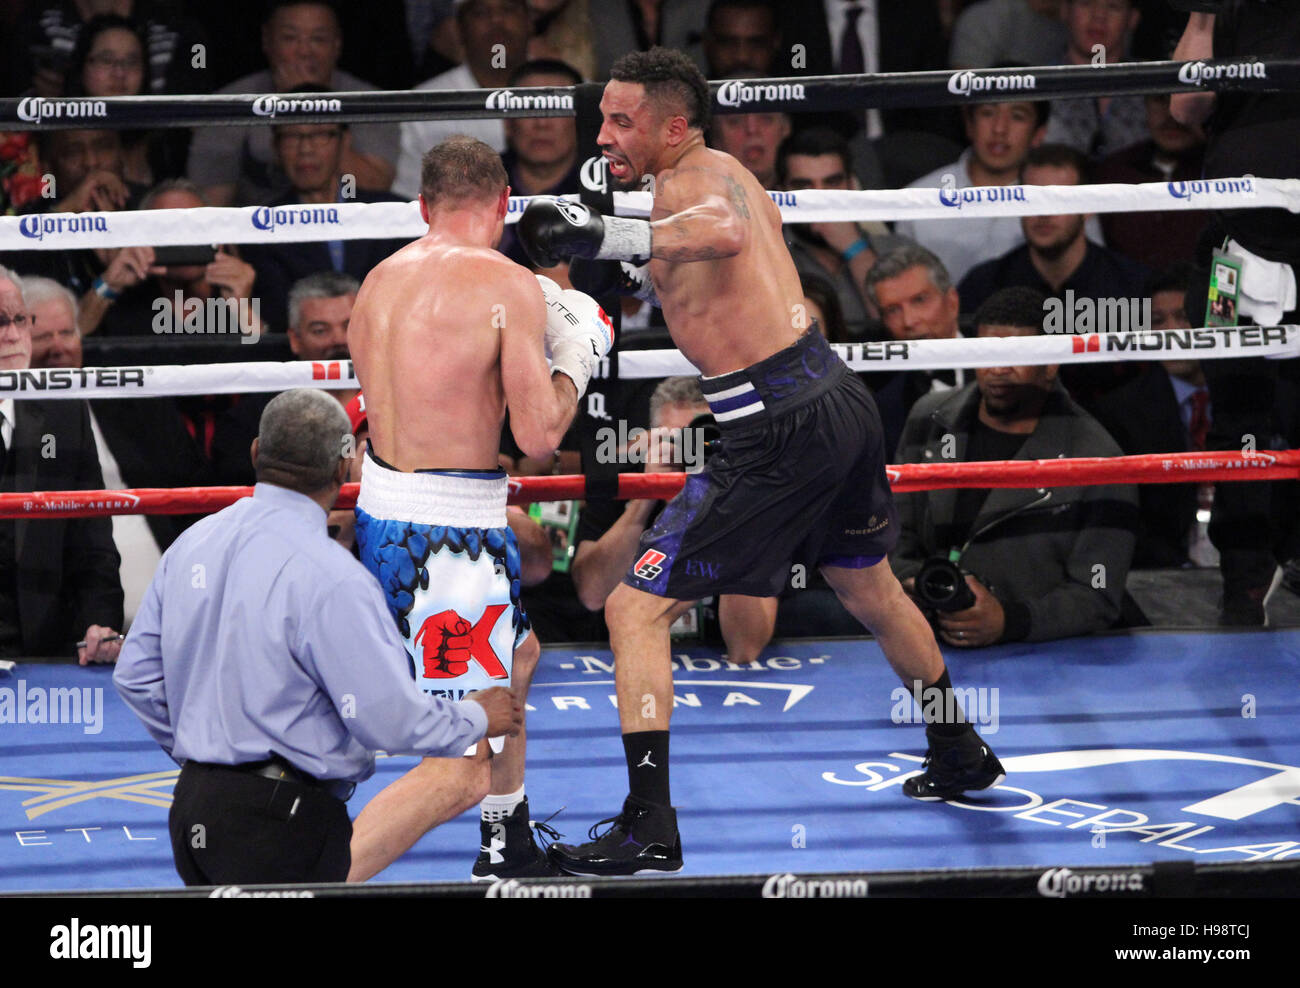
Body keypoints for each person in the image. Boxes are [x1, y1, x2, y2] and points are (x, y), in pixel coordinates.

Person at [517, 47, 1004, 876]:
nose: (601, 135)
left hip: (774, 421)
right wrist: (618, 246)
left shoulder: (690, 187)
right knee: (867, 585)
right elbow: (691, 263)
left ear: (675, 127)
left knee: (634, 611)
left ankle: (648, 824)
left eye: (621, 121)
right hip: (830, 397)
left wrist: (604, 229)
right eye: (601, 117)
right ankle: (957, 745)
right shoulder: (719, 170)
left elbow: (721, 231)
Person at [112, 388, 523, 885]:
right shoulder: (333, 578)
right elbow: (390, 721)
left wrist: (207, 757)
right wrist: (478, 715)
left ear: (256, 452)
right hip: (281, 819)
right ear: (342, 470)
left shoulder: (192, 544)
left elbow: (135, 677)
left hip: (193, 807)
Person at [346, 135, 611, 881]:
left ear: (424, 207)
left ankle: (508, 840)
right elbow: (537, 436)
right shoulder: (506, 284)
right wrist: (579, 352)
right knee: (460, 765)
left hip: (391, 512)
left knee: (521, 656)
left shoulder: (376, 282)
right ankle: (302, 887)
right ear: (502, 208)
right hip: (448, 544)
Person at [891, 286, 1139, 645]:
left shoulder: (1098, 458)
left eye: (1016, 353)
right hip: (925, 639)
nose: (998, 369)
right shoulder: (928, 418)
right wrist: (918, 582)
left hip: (1038, 661)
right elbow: (894, 540)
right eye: (987, 352)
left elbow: (1097, 594)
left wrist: (1010, 621)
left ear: (1052, 362)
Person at [24, 276, 211, 623]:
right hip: (63, 600)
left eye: (66, 333)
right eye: (42, 337)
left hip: (166, 582)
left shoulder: (132, 402)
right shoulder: (15, 424)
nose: (58, 347)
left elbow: (192, 486)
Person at [0, 266, 122, 663]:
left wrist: (99, 626)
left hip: (47, 655)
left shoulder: (62, 414)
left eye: (20, 320)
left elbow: (93, 545)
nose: (14, 336)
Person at [186, 0, 399, 206]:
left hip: (351, 228)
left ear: (337, 45)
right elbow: (209, 203)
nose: (305, 51)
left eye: (318, 39)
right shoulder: (231, 104)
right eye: (290, 38)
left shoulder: (368, 101)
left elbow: (377, 185)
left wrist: (306, 103)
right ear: (267, 41)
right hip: (259, 232)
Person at [239, 111, 412, 335]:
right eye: (292, 137)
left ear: (344, 140)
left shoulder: (394, 213)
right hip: (303, 365)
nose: (306, 149)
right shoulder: (259, 227)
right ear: (275, 147)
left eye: (320, 134)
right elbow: (276, 322)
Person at [894, 92, 1049, 285]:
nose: (1000, 128)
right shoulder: (917, 200)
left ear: (1039, 134)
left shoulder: (1054, 200)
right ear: (969, 124)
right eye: (988, 113)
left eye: (1017, 116)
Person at [393, 0, 534, 200]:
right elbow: (410, 199)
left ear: (529, 21)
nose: (497, 21)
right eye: (481, 13)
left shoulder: (569, 90)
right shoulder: (425, 103)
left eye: (508, 9)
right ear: (459, 28)